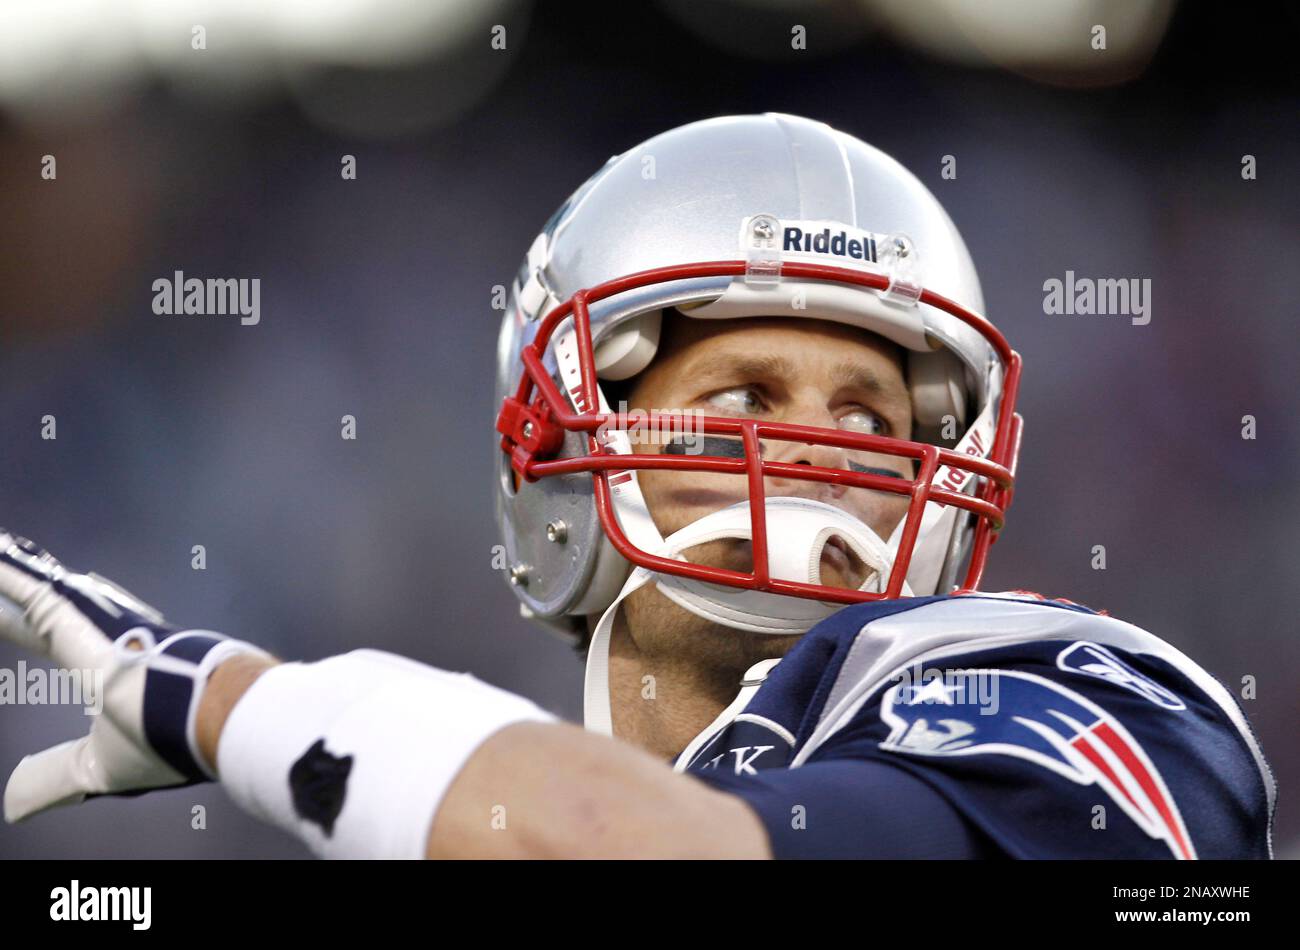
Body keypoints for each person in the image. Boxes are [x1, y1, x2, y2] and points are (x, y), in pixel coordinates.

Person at [0, 114, 1274, 859]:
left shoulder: (1084, 685)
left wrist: (235, 702)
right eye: (740, 401)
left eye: (870, 413)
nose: (819, 451)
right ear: (558, 432)